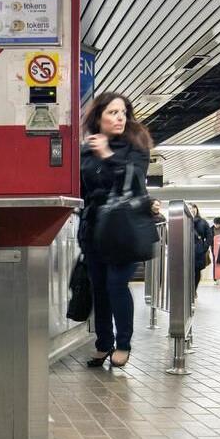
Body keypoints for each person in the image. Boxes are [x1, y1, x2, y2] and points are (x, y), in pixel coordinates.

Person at [79, 92, 153, 369]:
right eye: (112, 112)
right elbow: (81, 189)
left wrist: (107, 155)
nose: (120, 117)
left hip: (125, 227)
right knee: (99, 288)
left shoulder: (136, 146)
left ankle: (123, 344)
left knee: (116, 284)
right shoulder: (85, 150)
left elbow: (135, 182)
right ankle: (103, 343)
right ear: (98, 117)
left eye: (123, 112)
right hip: (95, 227)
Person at [191, 203, 213, 296]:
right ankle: (187, 290)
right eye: (189, 209)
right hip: (185, 248)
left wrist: (204, 247)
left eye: (193, 208)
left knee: (197, 270)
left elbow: (209, 236)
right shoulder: (183, 221)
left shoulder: (203, 222)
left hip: (198, 249)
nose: (192, 210)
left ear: (196, 209)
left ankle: (194, 290)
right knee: (186, 271)